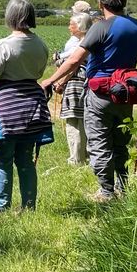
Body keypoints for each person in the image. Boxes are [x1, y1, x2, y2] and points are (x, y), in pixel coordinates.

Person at [42, 0, 137, 202]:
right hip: (125, 92)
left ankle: (106, 191)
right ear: (124, 2)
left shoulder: (101, 27)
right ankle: (122, 187)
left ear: (101, 3)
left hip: (100, 94)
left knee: (99, 142)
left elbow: (75, 60)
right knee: (120, 141)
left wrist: (49, 80)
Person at [0, 0, 52, 213]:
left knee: (3, 159)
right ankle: (29, 207)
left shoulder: (4, 45)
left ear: (10, 16)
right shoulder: (41, 44)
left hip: (6, 108)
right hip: (32, 107)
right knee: (25, 160)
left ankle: (2, 207)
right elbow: (38, 74)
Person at [56, 13, 92, 165]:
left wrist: (60, 81)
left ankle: (77, 159)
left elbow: (73, 64)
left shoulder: (81, 44)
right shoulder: (90, 40)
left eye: (71, 24)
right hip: (83, 82)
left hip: (76, 83)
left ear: (80, 26)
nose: (69, 27)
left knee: (74, 121)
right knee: (82, 120)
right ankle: (84, 155)